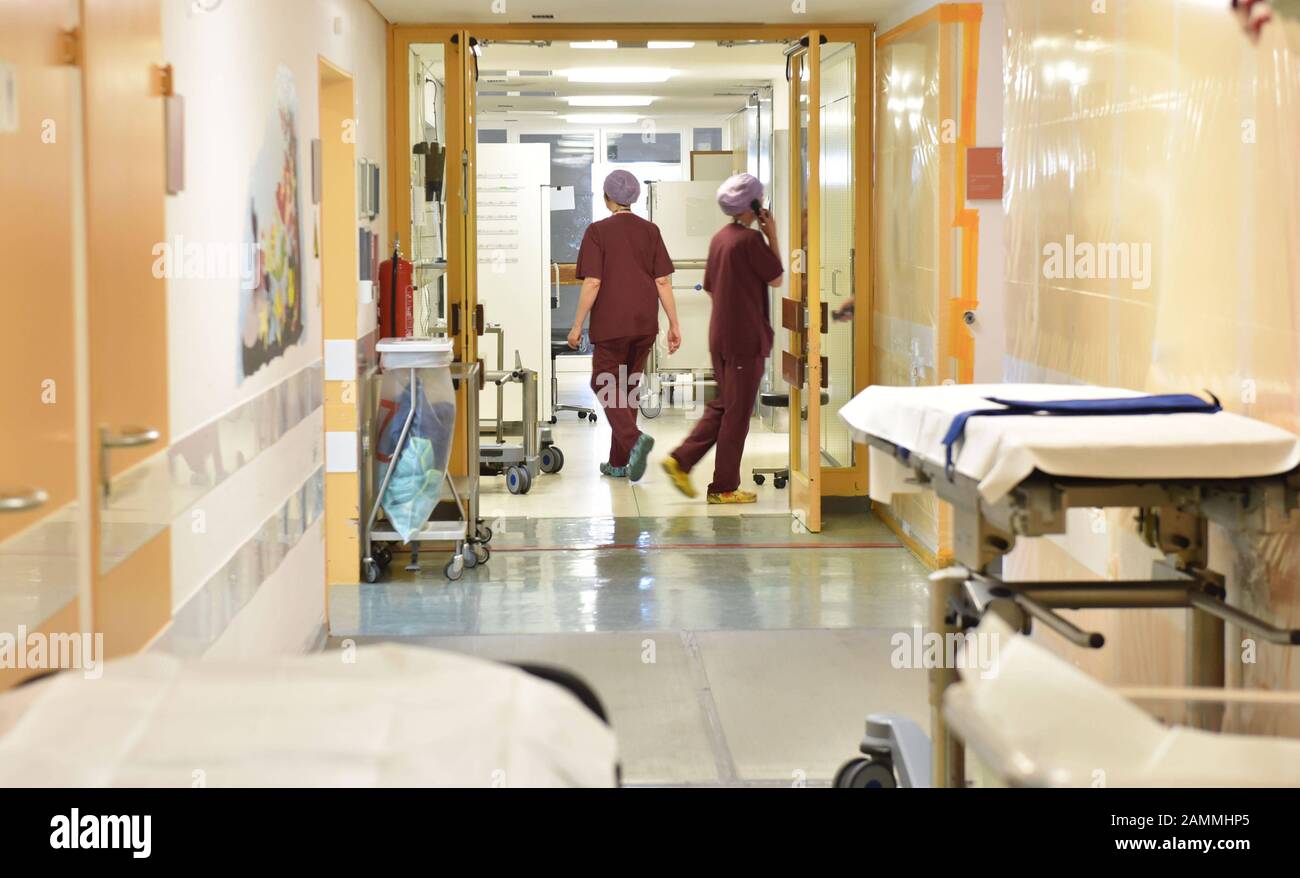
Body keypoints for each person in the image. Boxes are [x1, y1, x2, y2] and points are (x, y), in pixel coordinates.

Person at [661, 173, 784, 504]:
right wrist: (771, 234)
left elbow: (712, 287)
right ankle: (724, 487)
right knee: (737, 413)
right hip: (745, 340)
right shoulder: (749, 241)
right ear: (754, 205)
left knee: (725, 404)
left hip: (721, 335)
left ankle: (681, 460)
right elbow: (776, 277)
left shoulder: (720, 239)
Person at [569, 169, 682, 481]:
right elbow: (662, 280)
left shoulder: (598, 232)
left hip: (612, 325)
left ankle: (634, 442)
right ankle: (619, 462)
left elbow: (593, 282)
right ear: (634, 198)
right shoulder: (650, 231)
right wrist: (674, 324)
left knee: (603, 382)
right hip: (644, 324)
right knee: (628, 389)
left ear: (608, 199)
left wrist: (577, 325)